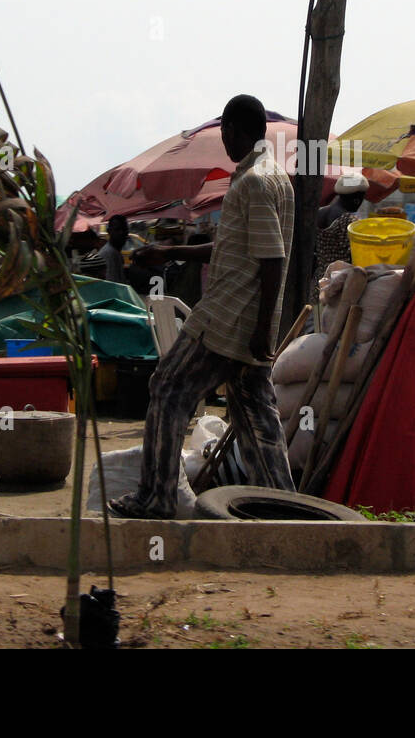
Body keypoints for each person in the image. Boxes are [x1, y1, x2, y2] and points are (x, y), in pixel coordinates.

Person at [109, 95, 295, 518]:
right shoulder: (272, 177)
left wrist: (263, 328)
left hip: (228, 319)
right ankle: (283, 506)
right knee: (256, 416)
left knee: (167, 387)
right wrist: (172, 250)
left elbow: (273, 259)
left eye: (225, 134)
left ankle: (157, 496)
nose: (224, 143)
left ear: (231, 128)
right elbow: (238, 247)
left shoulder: (254, 182)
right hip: (245, 323)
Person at [313, 173, 368, 289]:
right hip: (340, 287)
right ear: (357, 199)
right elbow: (356, 257)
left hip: (319, 284)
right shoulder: (350, 221)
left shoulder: (318, 214)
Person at [90, 215, 130, 285]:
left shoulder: (115, 252)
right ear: (109, 231)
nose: (121, 233)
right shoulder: (109, 253)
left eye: (124, 229)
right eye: (117, 229)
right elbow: (113, 285)